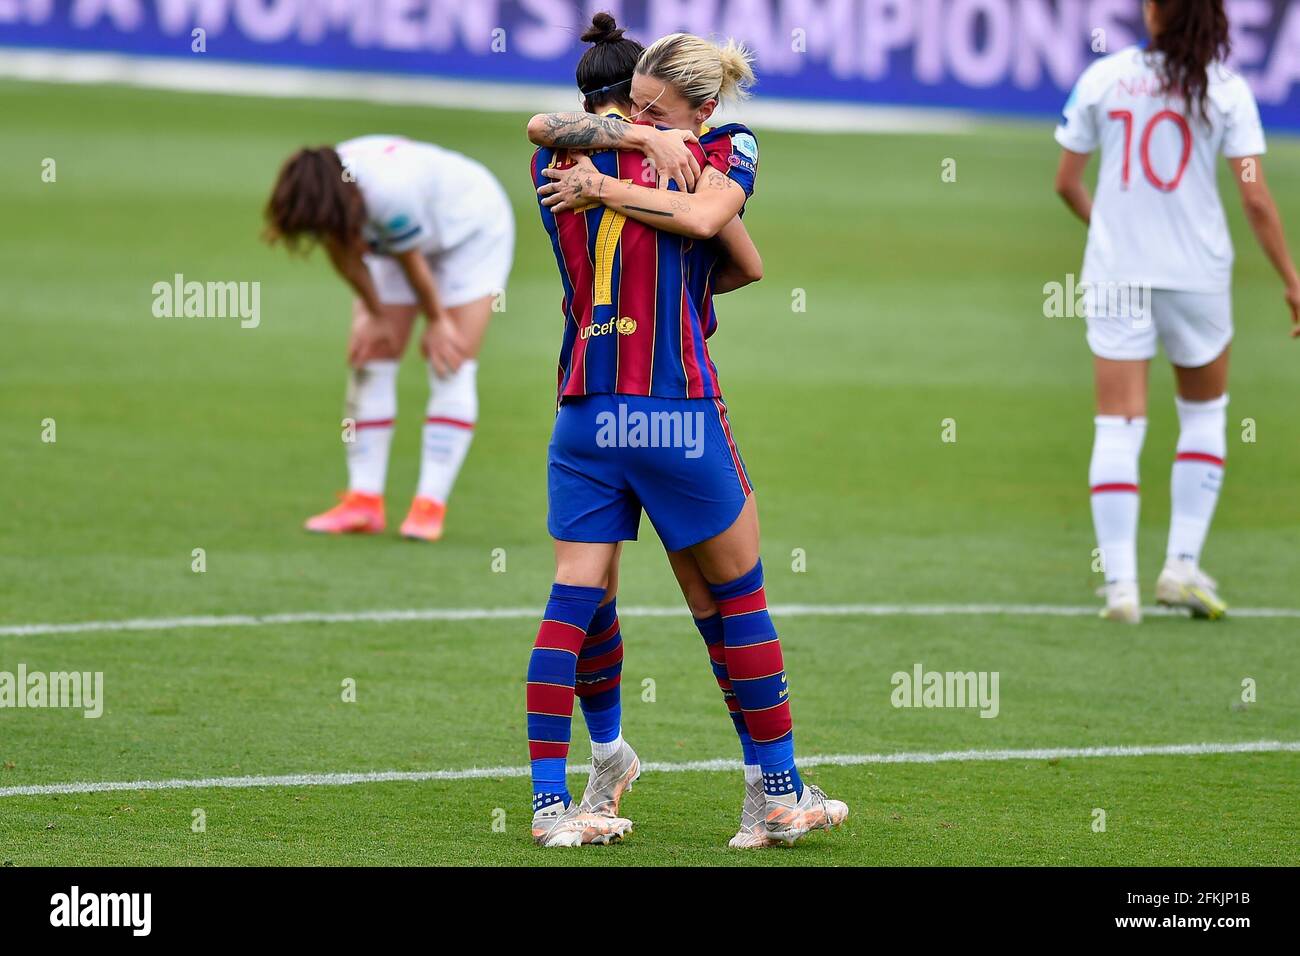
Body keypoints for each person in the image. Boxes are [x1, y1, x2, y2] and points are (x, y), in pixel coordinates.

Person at [525, 16, 848, 848]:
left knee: (583, 594)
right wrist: (651, 155)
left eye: (654, 111)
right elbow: (725, 241)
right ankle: (774, 791)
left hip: (583, 410)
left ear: (691, 104)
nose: (641, 123)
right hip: (673, 411)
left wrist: (606, 182)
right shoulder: (717, 147)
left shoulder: (564, 159)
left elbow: (549, 131)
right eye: (633, 107)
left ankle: (568, 789)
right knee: (733, 599)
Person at [1053, 0, 1299, 622]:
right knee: (1204, 414)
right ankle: (1181, 566)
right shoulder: (1228, 92)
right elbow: (1255, 195)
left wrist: (1106, 229)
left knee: (1118, 425)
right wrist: (1291, 279)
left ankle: (1120, 587)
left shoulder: (1104, 79)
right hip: (1198, 279)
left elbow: (1066, 181)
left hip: (1118, 275)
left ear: (1157, 12)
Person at [264, 135, 514, 541]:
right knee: (371, 353)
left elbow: (411, 259)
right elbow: (341, 249)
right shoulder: (328, 187)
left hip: (469, 229)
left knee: (451, 357)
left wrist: (437, 321)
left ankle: (429, 507)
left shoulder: (386, 192)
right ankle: (364, 502)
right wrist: (376, 315)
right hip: (400, 238)